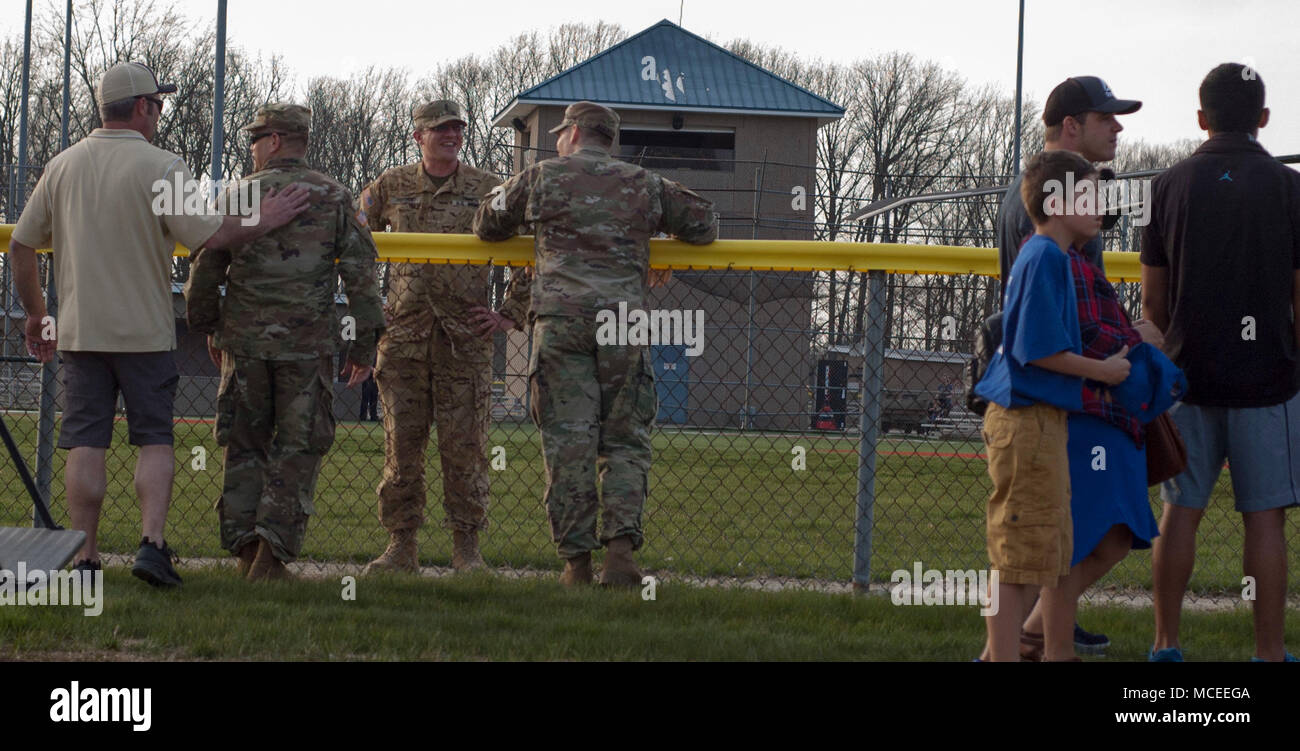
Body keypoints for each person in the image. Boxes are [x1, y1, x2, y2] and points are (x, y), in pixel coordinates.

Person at [8, 62, 310, 588]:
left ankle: (85, 560)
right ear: (144, 107)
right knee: (154, 440)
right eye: (159, 105)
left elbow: (21, 245)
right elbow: (209, 236)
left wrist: (37, 316)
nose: (160, 114)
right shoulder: (162, 166)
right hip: (144, 333)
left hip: (80, 332)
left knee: (85, 443)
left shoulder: (63, 166)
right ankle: (151, 545)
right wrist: (267, 217)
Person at [474, 101, 717, 586]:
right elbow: (705, 224)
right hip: (623, 323)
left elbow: (486, 223)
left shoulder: (541, 176)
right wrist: (660, 230)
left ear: (573, 133)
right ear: (610, 139)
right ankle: (622, 554)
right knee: (625, 440)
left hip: (561, 323)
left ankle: (576, 564)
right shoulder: (644, 184)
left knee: (569, 444)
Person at [185, 103, 384, 581]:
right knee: (298, 446)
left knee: (246, 444)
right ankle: (272, 556)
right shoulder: (336, 197)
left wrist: (211, 326)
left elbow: (204, 270)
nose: (252, 150)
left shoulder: (236, 195)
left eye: (255, 140)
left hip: (246, 346)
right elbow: (362, 278)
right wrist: (363, 347)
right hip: (305, 347)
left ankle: (245, 550)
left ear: (273, 141)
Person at [1142, 63, 1300, 662]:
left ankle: (1166, 646)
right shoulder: (1289, 187)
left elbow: (1153, 302)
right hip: (1269, 379)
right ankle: (1267, 655)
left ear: (1201, 118)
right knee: (1265, 520)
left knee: (1180, 510)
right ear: (1263, 119)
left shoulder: (1169, 185)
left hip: (1188, 374)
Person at [993, 75, 1142, 654]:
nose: (1118, 127)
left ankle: (1047, 636)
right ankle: (1022, 642)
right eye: (1107, 118)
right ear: (1072, 127)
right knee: (1049, 543)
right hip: (1058, 394)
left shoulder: (1034, 198)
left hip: (1054, 393)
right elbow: (1065, 322)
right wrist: (1116, 361)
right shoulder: (1057, 224)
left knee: (1057, 539)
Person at [356, 100, 530, 574]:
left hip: (464, 341)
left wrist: (511, 313)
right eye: (441, 129)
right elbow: (352, 238)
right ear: (418, 136)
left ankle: (467, 550)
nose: (452, 135)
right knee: (401, 448)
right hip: (404, 339)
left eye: (457, 128)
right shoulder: (392, 185)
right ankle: (401, 547)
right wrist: (370, 308)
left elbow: (531, 247)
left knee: (466, 449)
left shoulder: (488, 187)